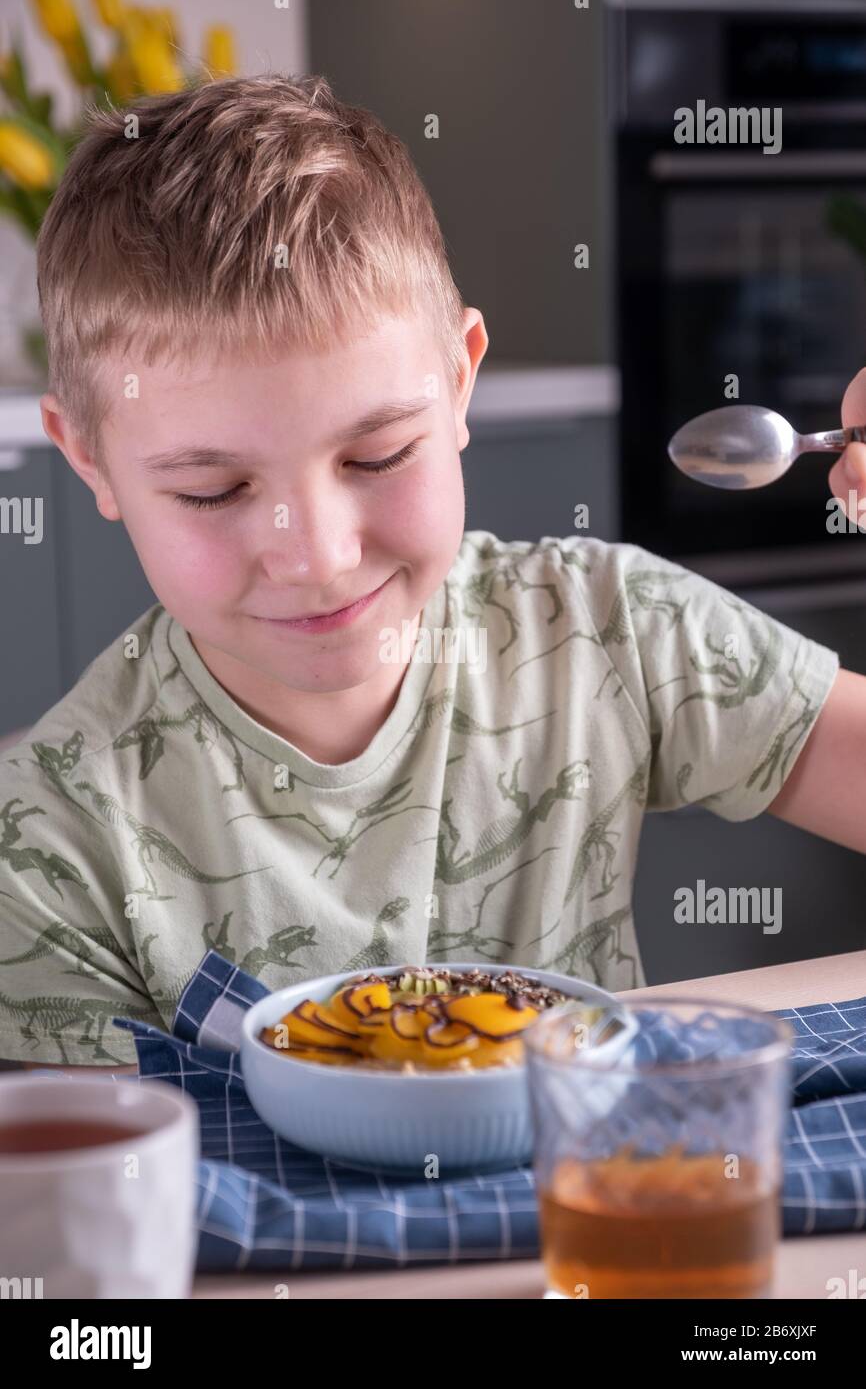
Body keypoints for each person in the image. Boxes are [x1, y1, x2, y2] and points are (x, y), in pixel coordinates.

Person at [1, 75, 863, 1074]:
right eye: (212, 489)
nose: (318, 556)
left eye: (375, 457)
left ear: (458, 380)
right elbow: (98, 1207)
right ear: (90, 459)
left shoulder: (608, 629)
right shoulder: (45, 850)